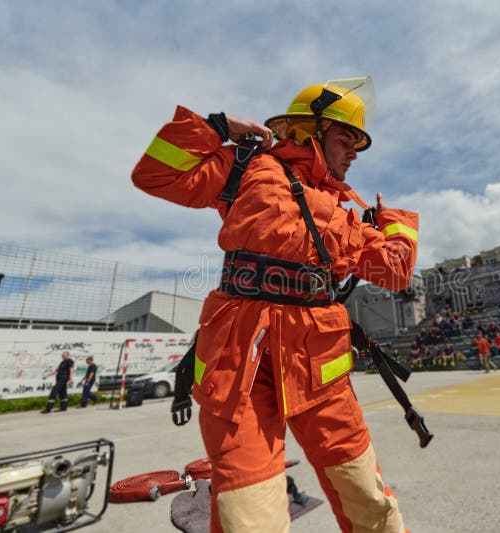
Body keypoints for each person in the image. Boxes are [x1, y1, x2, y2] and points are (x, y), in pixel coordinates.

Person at [132, 78, 417, 532]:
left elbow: (395, 270)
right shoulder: (246, 165)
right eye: (347, 139)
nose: (355, 154)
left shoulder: (345, 212)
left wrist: (393, 223)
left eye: (359, 145)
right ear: (311, 131)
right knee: (248, 518)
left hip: (320, 366)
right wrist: (217, 127)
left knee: (368, 501)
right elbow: (154, 175)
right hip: (238, 366)